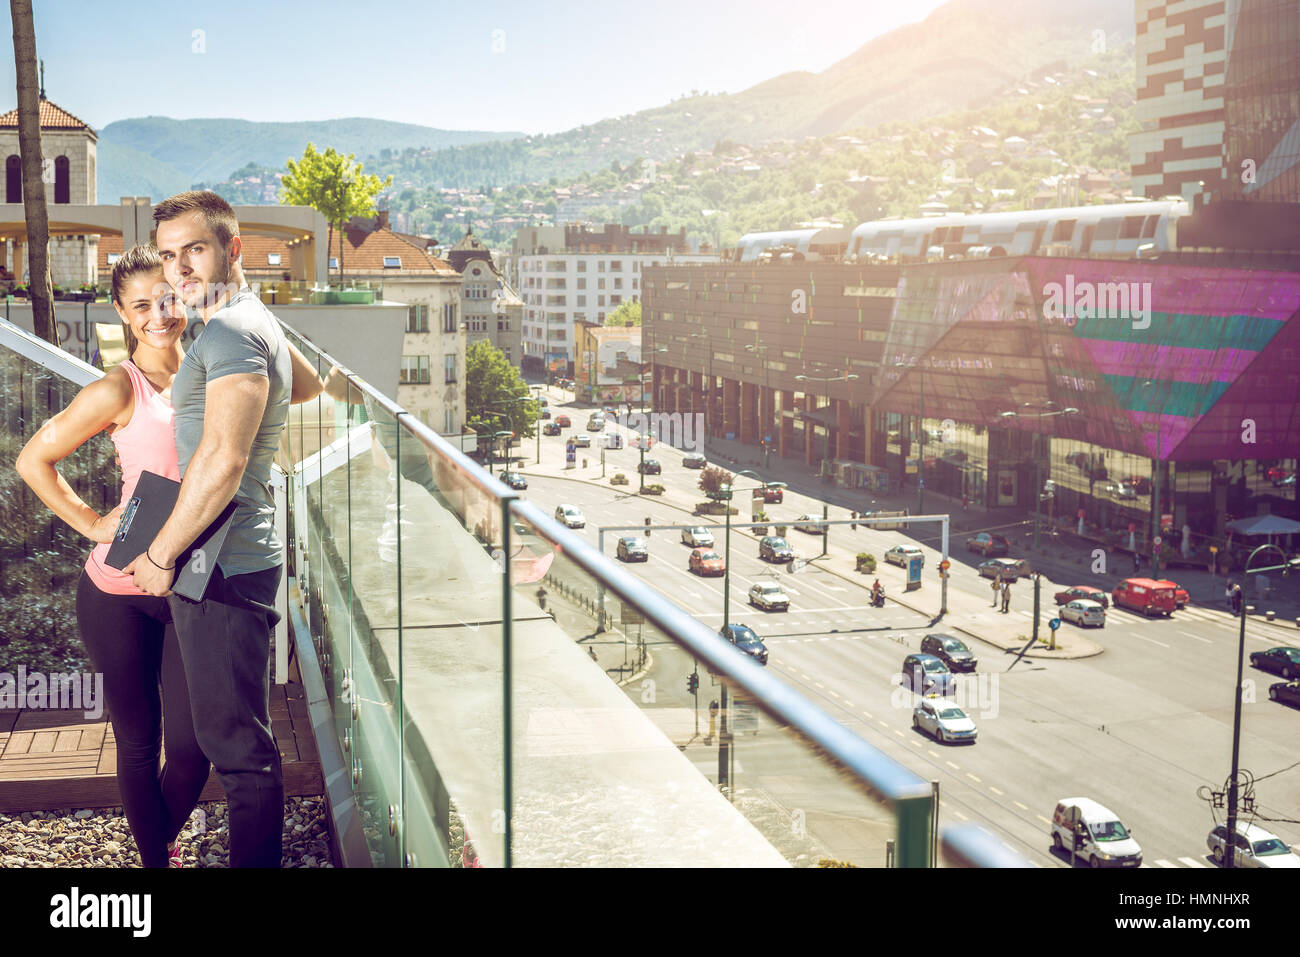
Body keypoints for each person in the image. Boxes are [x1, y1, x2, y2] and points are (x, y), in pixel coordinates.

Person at [15, 244, 339, 868]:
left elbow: (305, 386)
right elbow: (33, 459)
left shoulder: (222, 359)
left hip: (192, 585)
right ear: (120, 314)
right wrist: (90, 523)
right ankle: (155, 860)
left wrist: (235, 299)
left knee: (191, 748)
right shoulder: (118, 388)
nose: (159, 315)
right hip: (118, 592)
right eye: (140, 306)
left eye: (167, 297)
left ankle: (159, 835)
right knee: (138, 746)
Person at [127, 191, 342, 868]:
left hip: (218, 559)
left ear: (233, 250)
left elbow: (223, 461)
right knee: (211, 736)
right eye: (168, 254)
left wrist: (160, 554)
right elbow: (302, 386)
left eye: (194, 249)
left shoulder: (229, 331)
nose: (179, 268)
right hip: (224, 554)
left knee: (241, 757)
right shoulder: (246, 321)